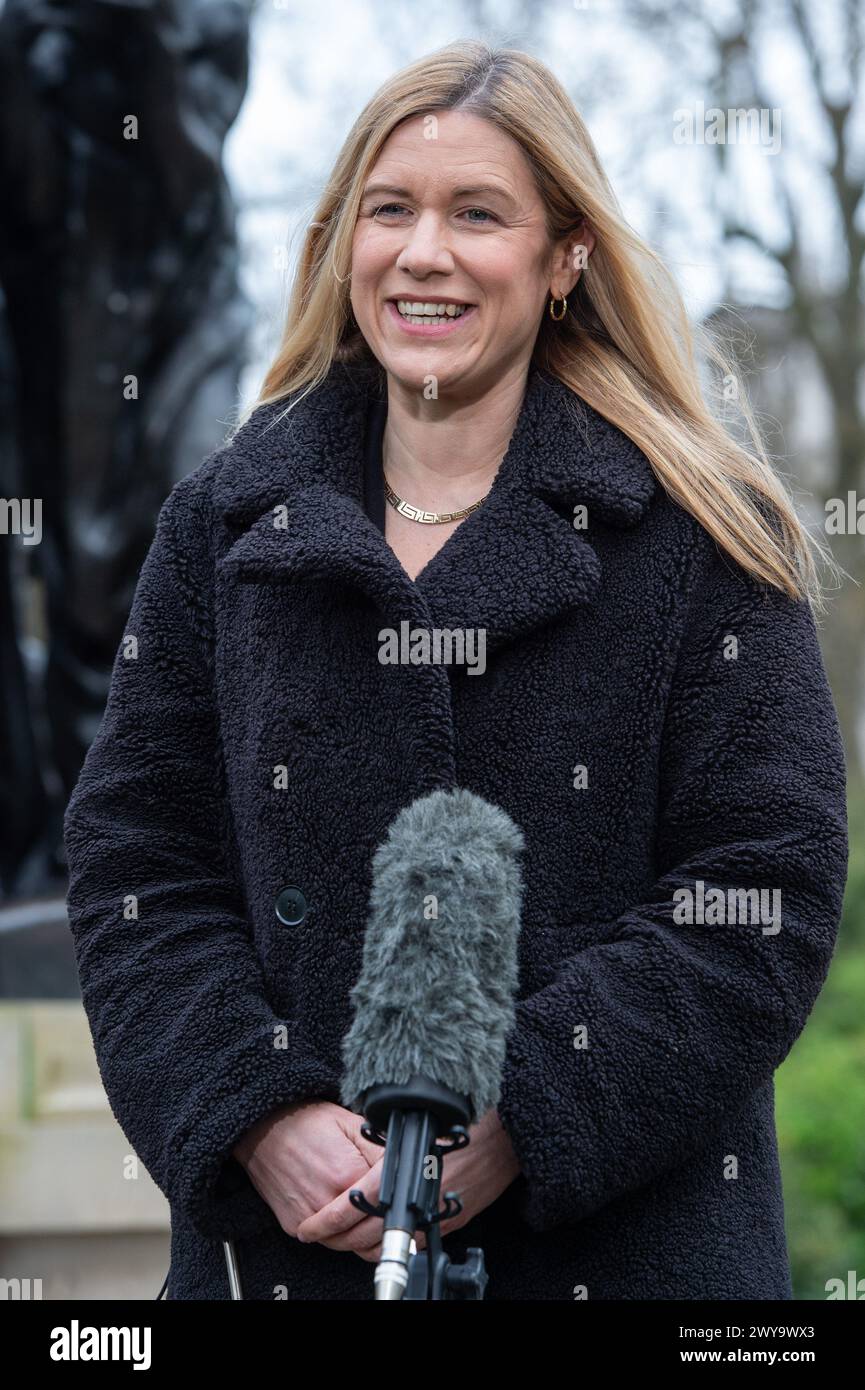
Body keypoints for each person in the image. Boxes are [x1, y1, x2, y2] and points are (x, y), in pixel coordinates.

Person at [64, 39, 848, 1301]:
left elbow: (763, 881)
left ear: (563, 257)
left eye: (477, 213)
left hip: (624, 1261)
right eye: (391, 210)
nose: (424, 251)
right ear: (344, 245)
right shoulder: (222, 527)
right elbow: (135, 865)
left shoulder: (704, 533)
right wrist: (254, 1110)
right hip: (283, 1263)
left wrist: (524, 1105)